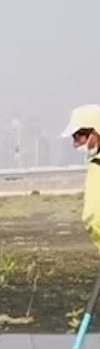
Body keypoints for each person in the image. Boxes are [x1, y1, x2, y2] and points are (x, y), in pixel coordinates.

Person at [64, 104, 100, 246]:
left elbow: (94, 216)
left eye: (78, 136)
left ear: (95, 134)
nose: (75, 144)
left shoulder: (97, 165)